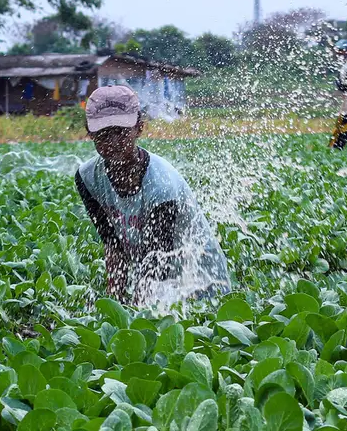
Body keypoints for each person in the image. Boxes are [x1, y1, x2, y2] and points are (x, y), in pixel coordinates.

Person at [74, 86, 231, 306]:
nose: (112, 142)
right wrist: (114, 304)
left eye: (120, 131)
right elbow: (112, 245)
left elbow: (158, 261)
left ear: (139, 128)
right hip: (156, 278)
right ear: (90, 134)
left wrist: (137, 311)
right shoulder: (88, 178)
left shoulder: (161, 184)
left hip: (199, 281)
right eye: (103, 134)